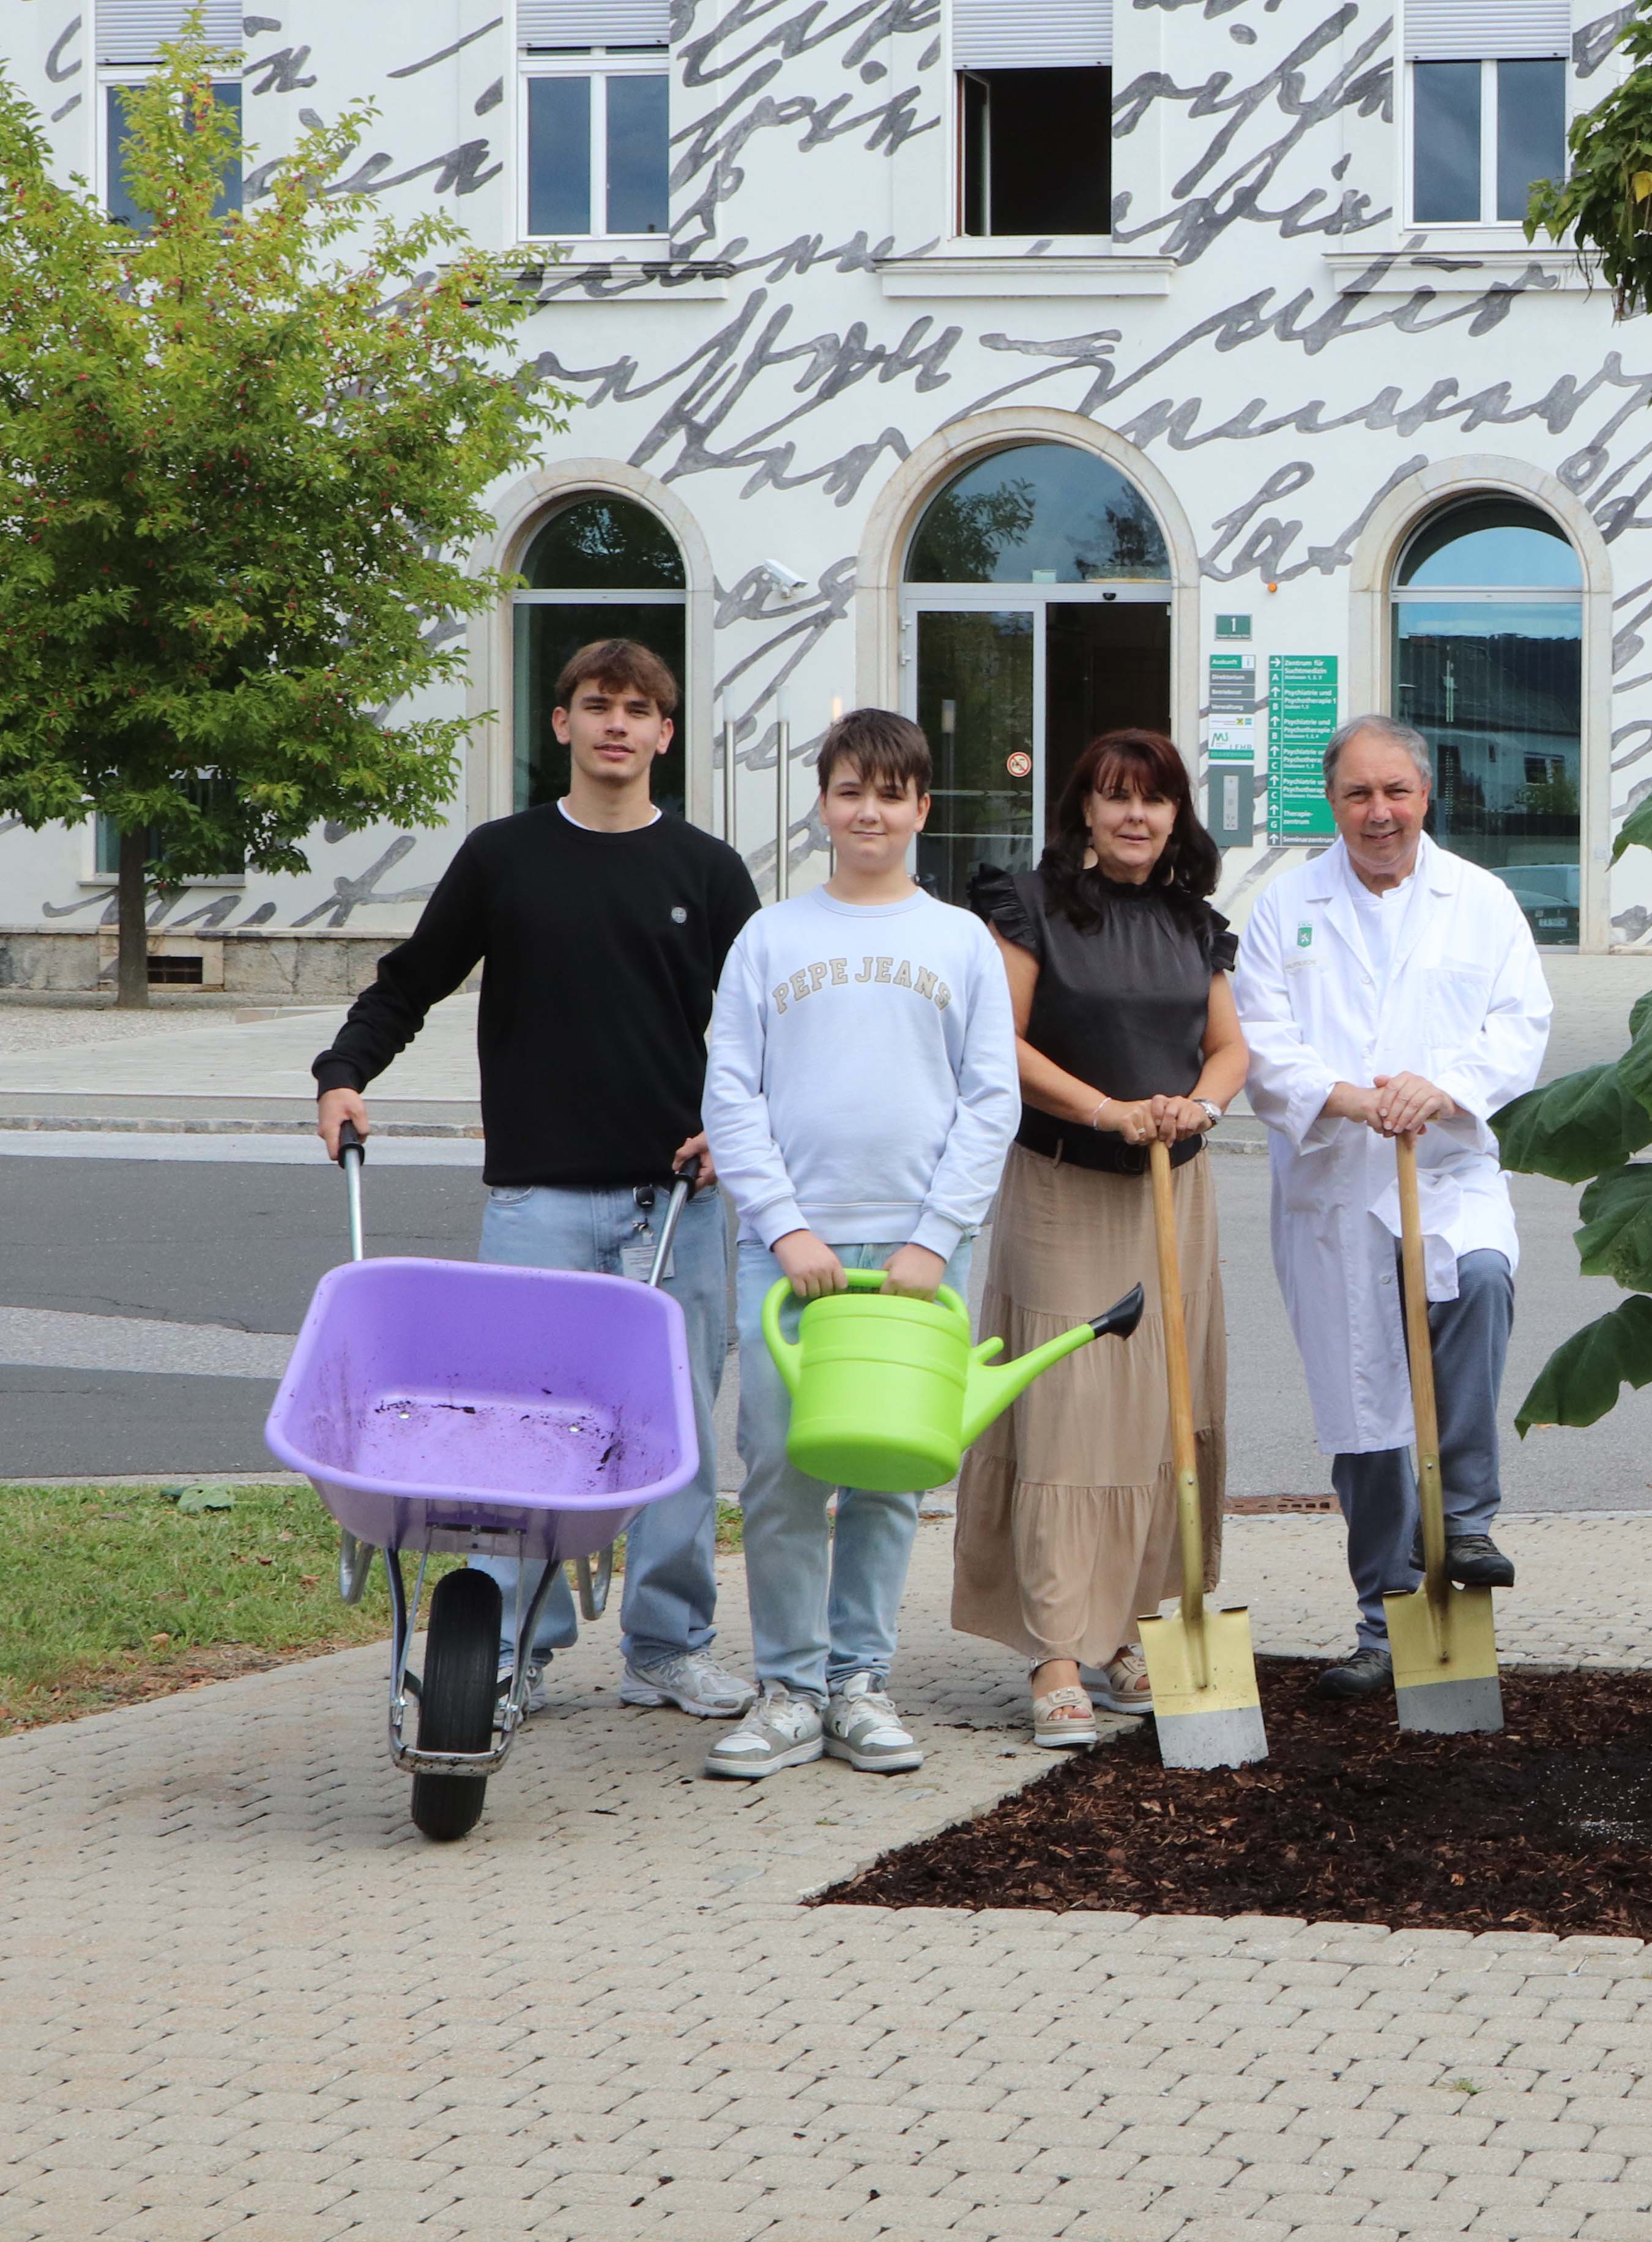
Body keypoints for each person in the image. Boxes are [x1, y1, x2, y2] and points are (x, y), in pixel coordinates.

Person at [311, 638, 759, 1721]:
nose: (616, 724)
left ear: (665, 732)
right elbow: (410, 981)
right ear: (559, 725)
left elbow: (760, 1033)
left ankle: (666, 1646)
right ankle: (510, 1651)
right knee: (517, 1443)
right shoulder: (503, 857)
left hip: (679, 1207)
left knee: (676, 1438)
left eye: (638, 709)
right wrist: (342, 1074)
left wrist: (733, 1132)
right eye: (595, 705)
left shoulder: (708, 872)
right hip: (537, 1205)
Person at [696, 709, 1020, 1779]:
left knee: (887, 1474)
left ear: (923, 809)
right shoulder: (771, 939)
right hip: (792, 1259)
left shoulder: (958, 940)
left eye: (891, 794)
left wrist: (935, 1239)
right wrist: (785, 1228)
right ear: (823, 805)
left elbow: (990, 1101)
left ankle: (857, 1683)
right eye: (849, 792)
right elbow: (731, 1095)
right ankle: (788, 1685)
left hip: (915, 1257)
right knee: (784, 1466)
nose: (869, 812)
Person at [1235, 716, 1551, 1699]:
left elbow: (1520, 1024)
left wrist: (1440, 1085)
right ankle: (1384, 1621)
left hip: (1446, 1166)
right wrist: (1347, 1096)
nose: (1380, 813)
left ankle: (1463, 1513)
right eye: (1360, 795)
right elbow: (1263, 1043)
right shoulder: (1283, 907)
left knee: (1485, 1280)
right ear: (1332, 804)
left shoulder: (1482, 902)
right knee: (1365, 1411)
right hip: (1335, 1183)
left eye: (1397, 793)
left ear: (1427, 796)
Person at [955, 731, 1250, 1747]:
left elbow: (1229, 1047)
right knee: (1067, 1414)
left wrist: (1197, 1110)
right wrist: (1108, 1111)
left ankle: (1131, 1629)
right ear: (1083, 808)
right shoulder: (1026, 908)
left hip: (1174, 1188)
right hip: (1065, 1182)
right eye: (1116, 798)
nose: (1136, 817)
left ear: (1177, 816)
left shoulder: (1193, 921)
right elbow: (1003, 1043)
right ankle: (1052, 1652)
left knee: (1163, 1412)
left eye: (1156, 801)